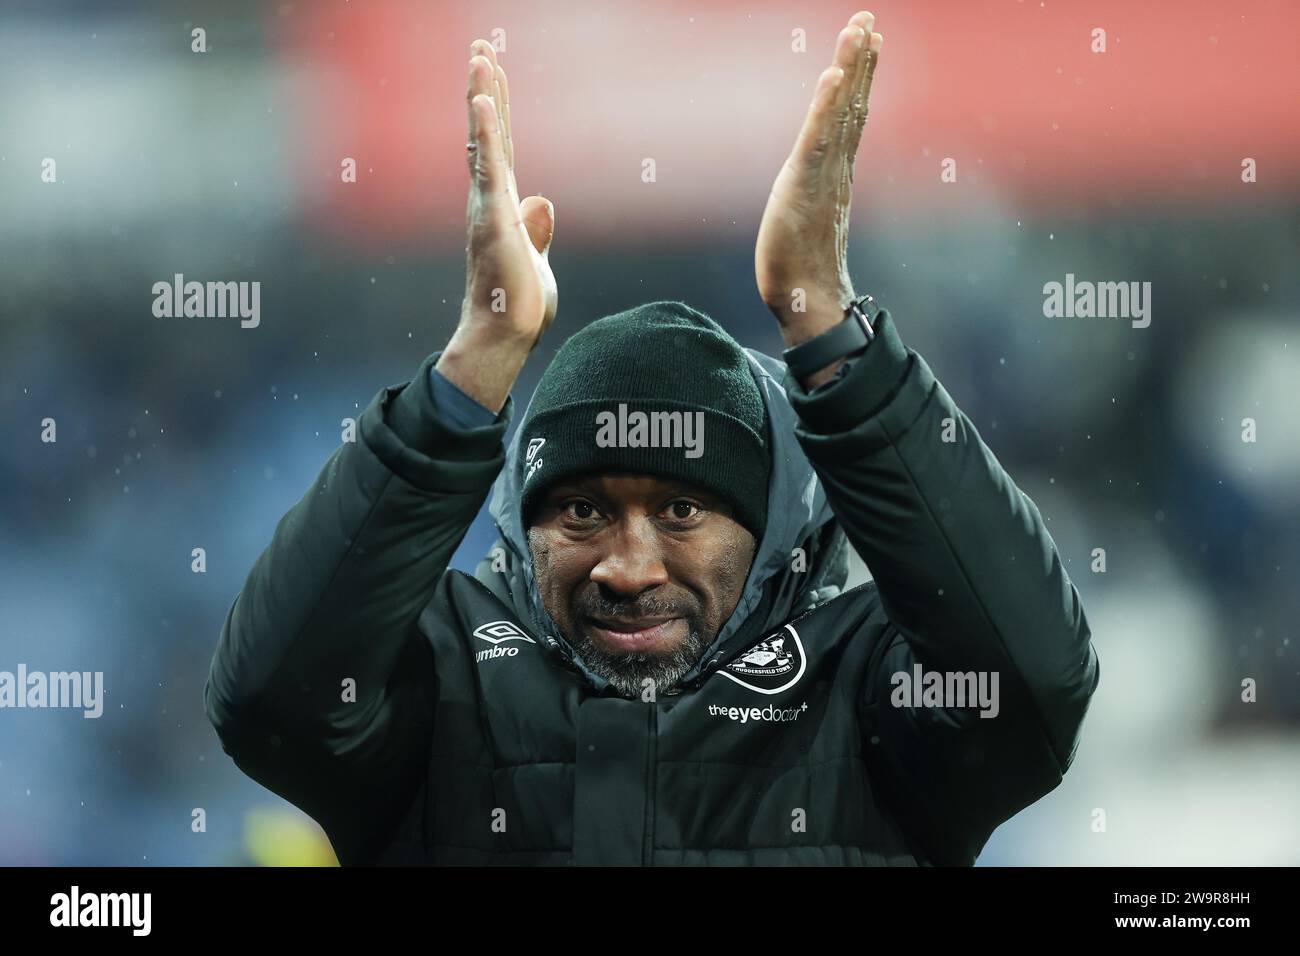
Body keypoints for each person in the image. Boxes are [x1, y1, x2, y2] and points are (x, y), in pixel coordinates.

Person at [204, 11, 1099, 866]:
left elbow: (1031, 686)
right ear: (522, 526)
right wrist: (473, 365)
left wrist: (831, 332)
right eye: (583, 510)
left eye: (680, 510)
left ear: (771, 536)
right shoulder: (444, 679)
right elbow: (270, 702)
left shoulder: (863, 687)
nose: (627, 569)